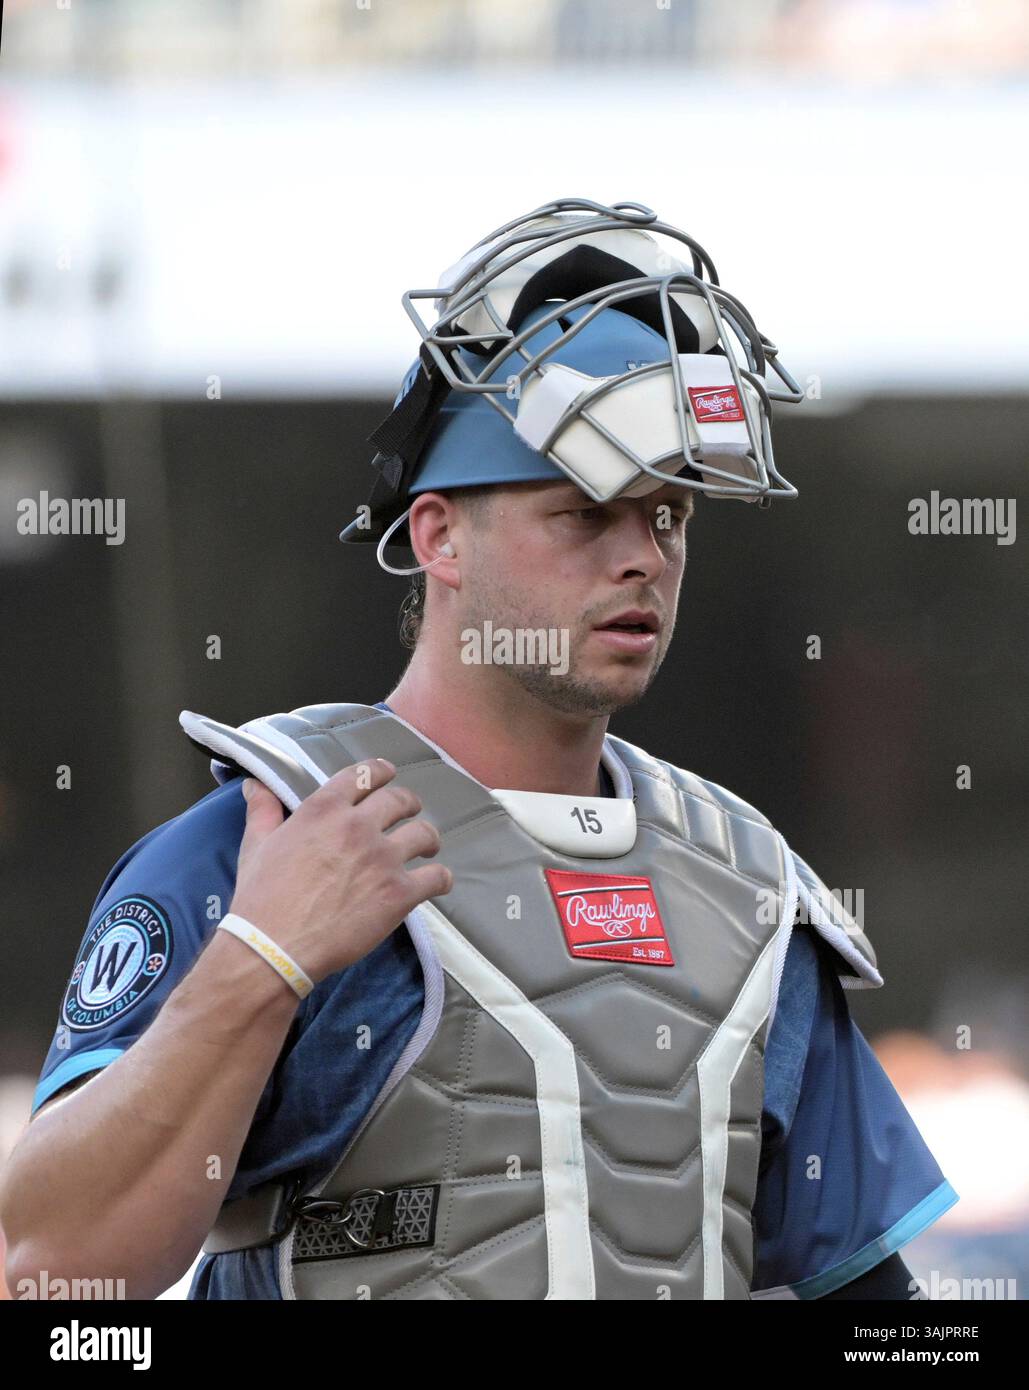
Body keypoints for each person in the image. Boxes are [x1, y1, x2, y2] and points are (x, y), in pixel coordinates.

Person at [1, 199, 957, 1300]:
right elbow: (53, 1270)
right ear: (437, 533)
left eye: (670, 516)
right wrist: (263, 956)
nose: (644, 556)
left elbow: (870, 1299)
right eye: (587, 513)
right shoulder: (265, 838)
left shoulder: (744, 881)